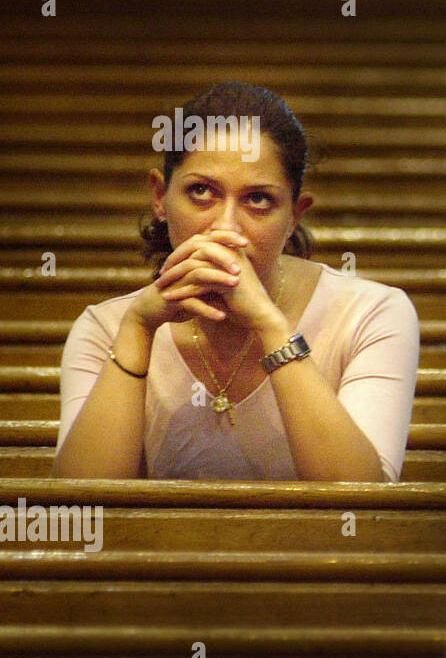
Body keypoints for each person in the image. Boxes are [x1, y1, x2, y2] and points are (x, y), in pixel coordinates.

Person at [52, 82, 419, 482]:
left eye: (258, 199)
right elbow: (82, 509)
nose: (225, 227)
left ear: (295, 213)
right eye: (201, 191)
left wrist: (270, 325)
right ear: (160, 196)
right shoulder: (105, 327)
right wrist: (138, 330)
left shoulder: (370, 314)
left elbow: (365, 505)